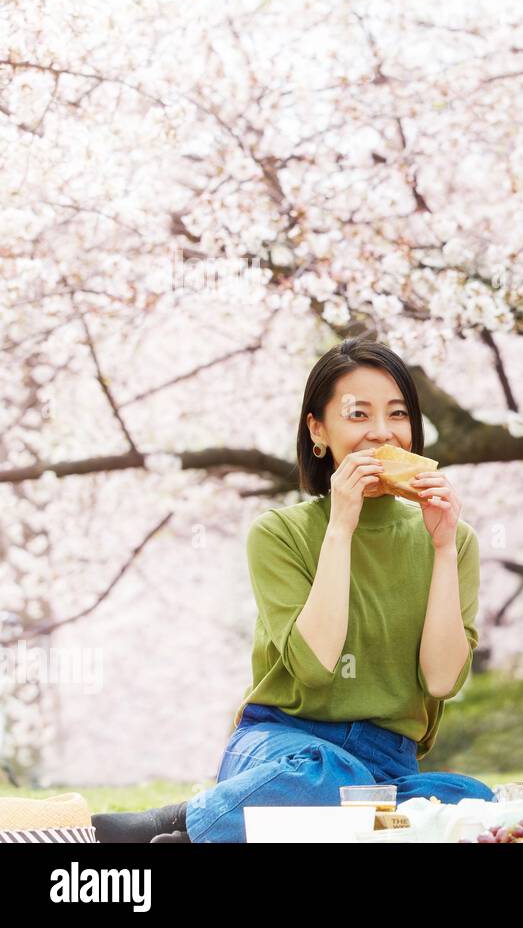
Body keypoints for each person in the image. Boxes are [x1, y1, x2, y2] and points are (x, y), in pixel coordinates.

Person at [93, 339, 492, 842]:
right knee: (324, 776)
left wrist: (439, 550)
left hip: (390, 763)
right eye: (358, 415)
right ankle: (195, 825)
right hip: (286, 746)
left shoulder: (453, 539)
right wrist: (340, 528)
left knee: (472, 801)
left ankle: (245, 825)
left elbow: (440, 680)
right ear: (318, 430)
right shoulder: (278, 533)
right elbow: (314, 665)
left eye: (397, 415)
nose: (381, 433)